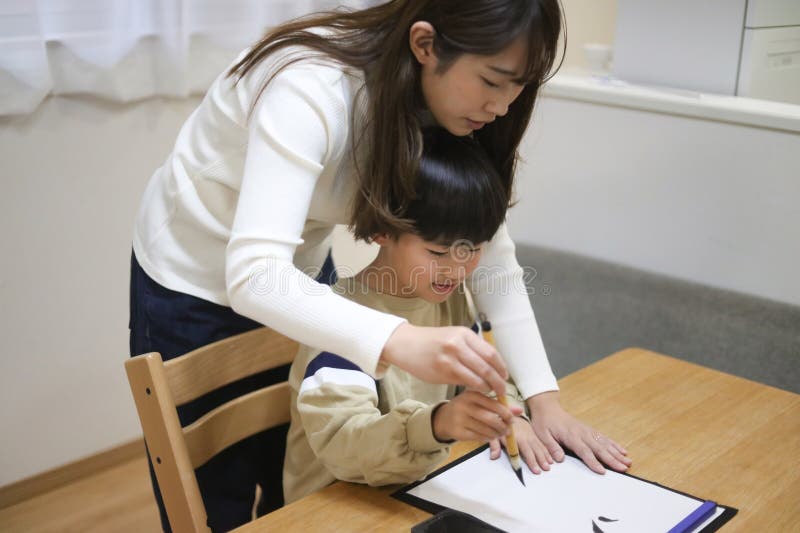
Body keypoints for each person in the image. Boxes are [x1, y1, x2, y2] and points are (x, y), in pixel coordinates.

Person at [129, 1, 629, 531]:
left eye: (519, 87)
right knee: (219, 495)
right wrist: (401, 340)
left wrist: (544, 402)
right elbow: (255, 276)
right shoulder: (310, 89)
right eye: (492, 81)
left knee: (290, 473)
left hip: (293, 269)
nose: (503, 106)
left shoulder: (451, 106)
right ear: (425, 44)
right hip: (195, 269)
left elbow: (495, 262)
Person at [284, 127, 533, 503]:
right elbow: (343, 446)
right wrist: (437, 424)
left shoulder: (447, 296)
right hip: (334, 507)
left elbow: (487, 378)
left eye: (474, 249)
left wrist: (508, 412)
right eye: (438, 252)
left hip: (410, 488)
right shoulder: (340, 319)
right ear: (382, 229)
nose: (456, 269)